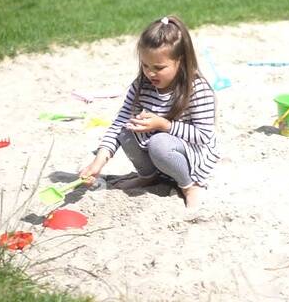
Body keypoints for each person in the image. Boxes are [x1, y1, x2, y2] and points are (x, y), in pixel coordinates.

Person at [78, 16, 219, 209]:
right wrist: (98, 163)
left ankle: (189, 185)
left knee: (159, 142)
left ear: (181, 61)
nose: (150, 73)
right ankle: (149, 176)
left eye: (159, 68)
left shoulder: (197, 89)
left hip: (191, 154)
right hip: (159, 150)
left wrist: (164, 125)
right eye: (145, 65)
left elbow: (203, 136)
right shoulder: (141, 86)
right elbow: (119, 124)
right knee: (126, 129)